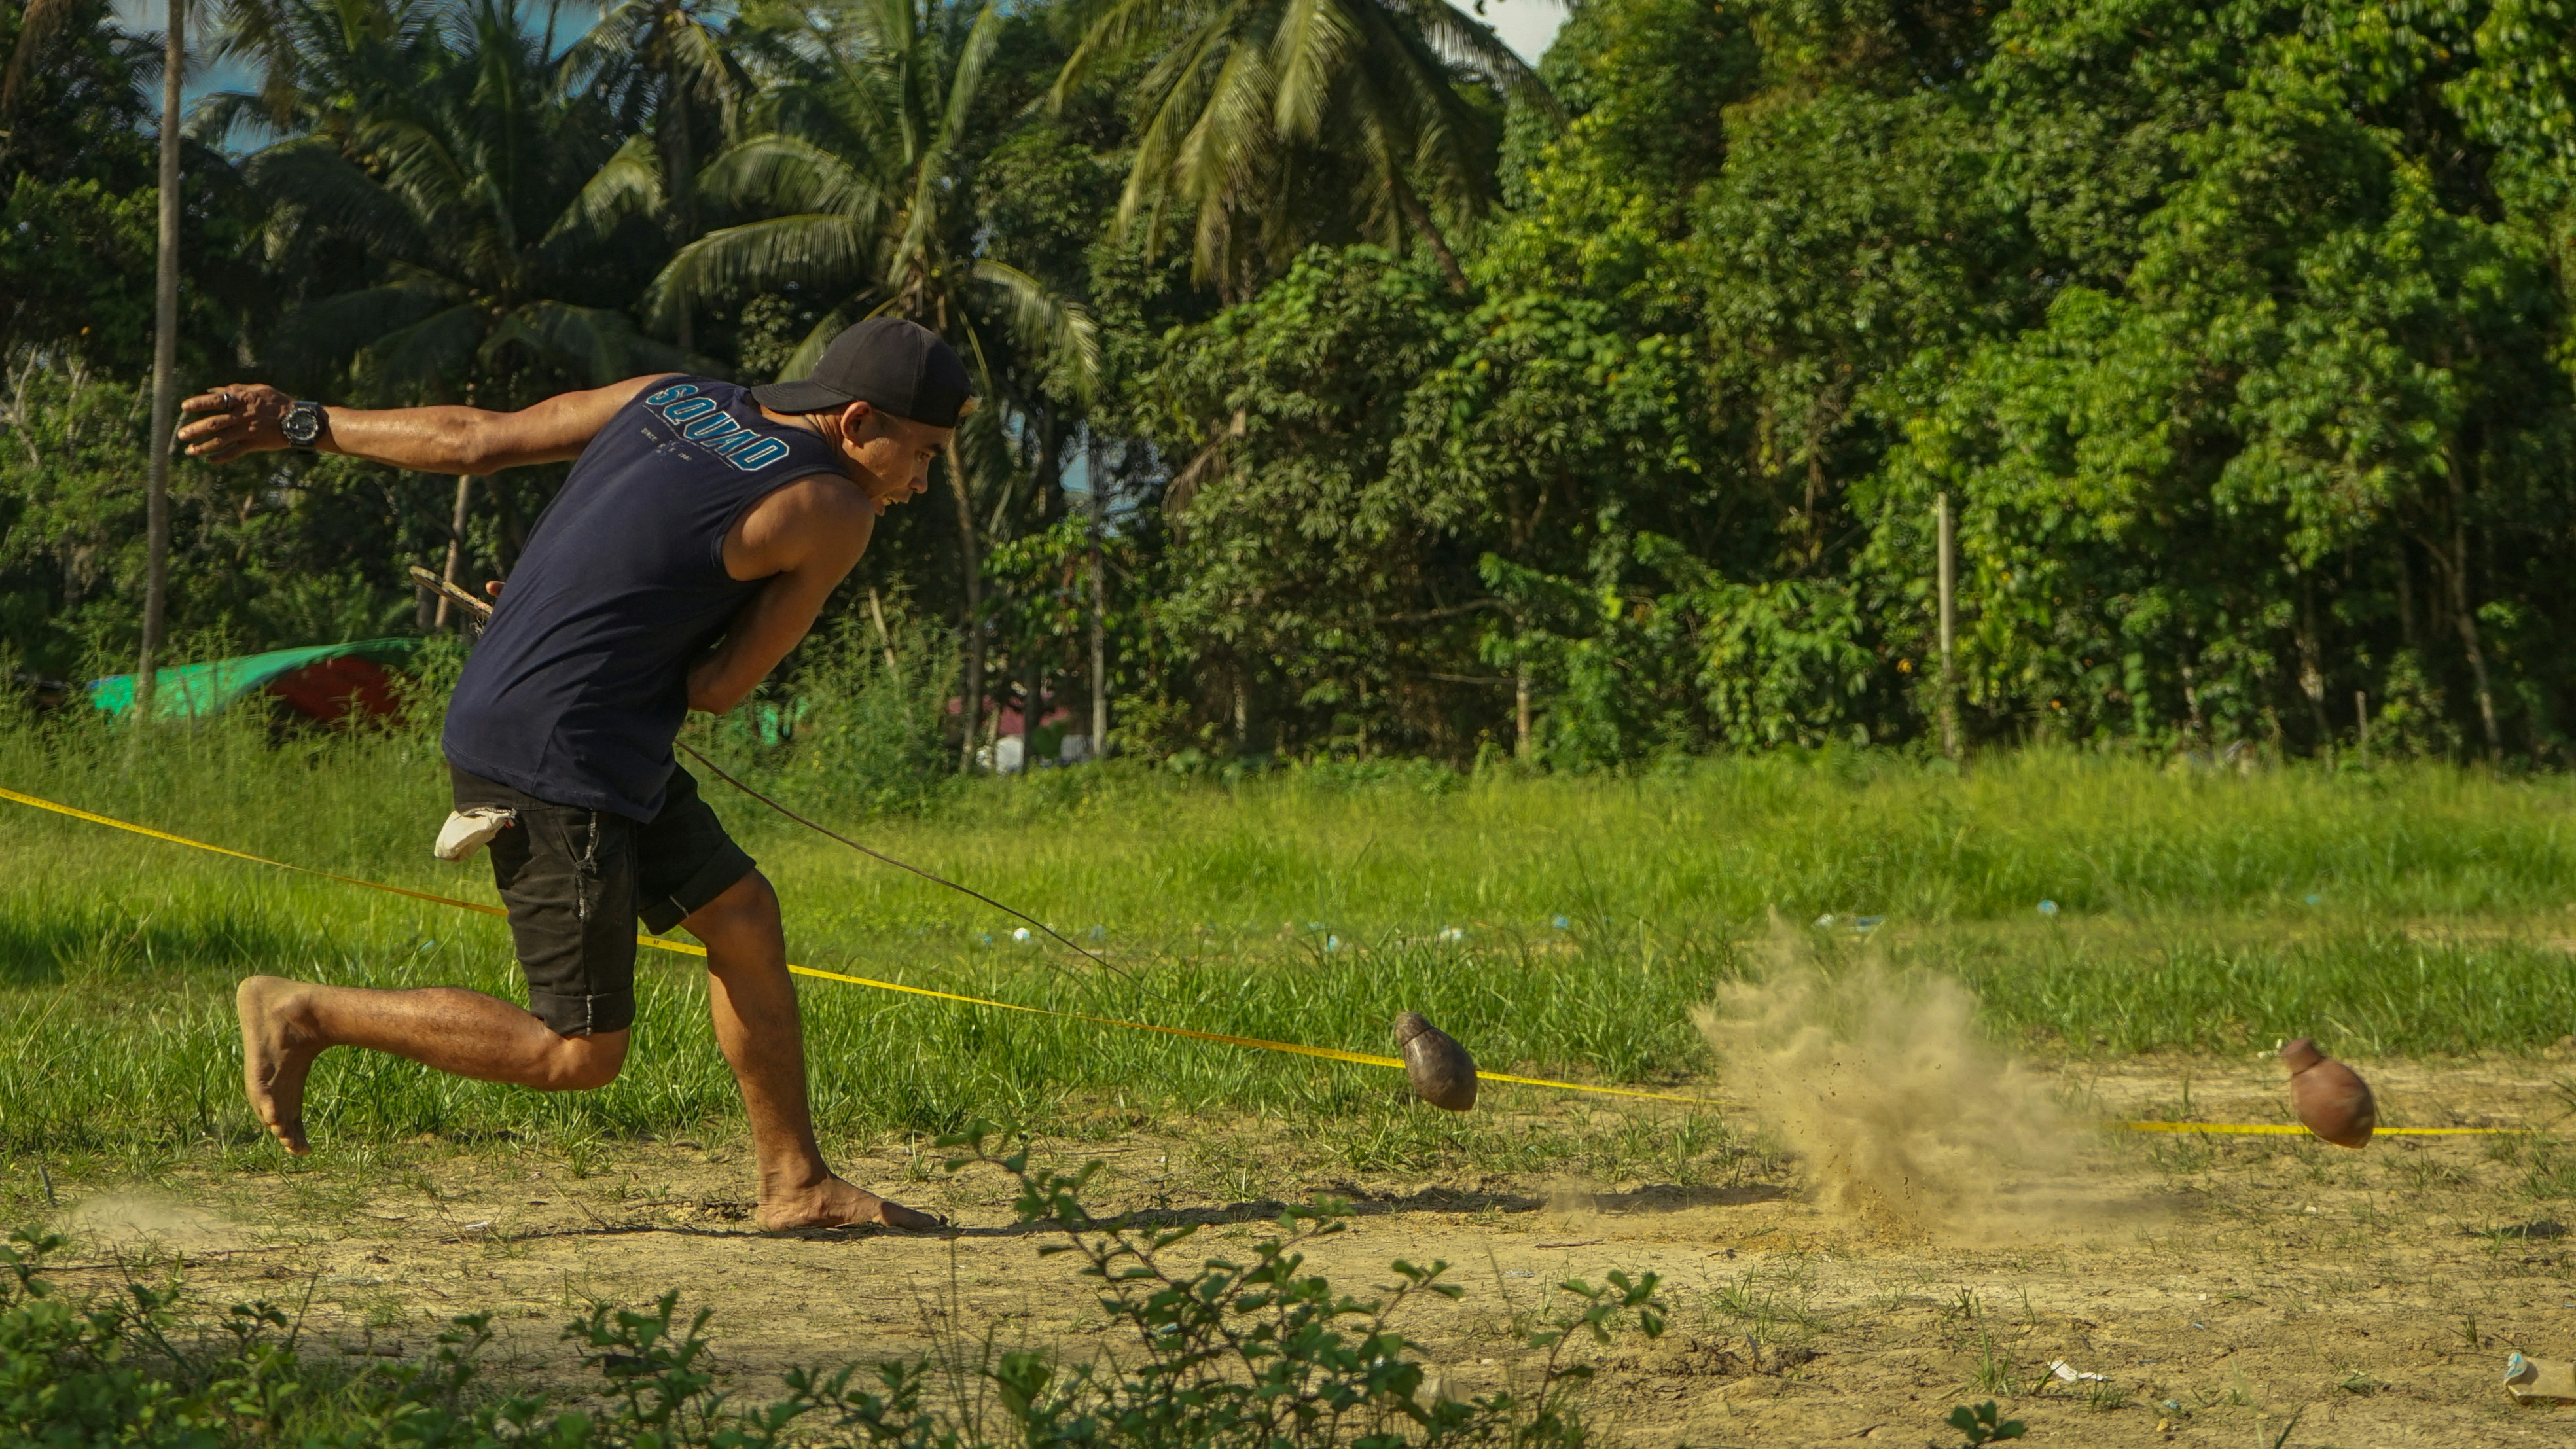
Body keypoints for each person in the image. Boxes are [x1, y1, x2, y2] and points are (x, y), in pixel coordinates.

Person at [174, 319, 965, 1232]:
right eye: (926, 452)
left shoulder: (679, 394)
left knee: (742, 915)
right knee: (577, 1050)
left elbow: (478, 439)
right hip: (564, 747)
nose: (922, 480)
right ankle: (304, 1011)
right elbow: (715, 688)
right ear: (859, 421)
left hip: (567, 720)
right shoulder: (835, 509)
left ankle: (796, 1182)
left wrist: (303, 421)